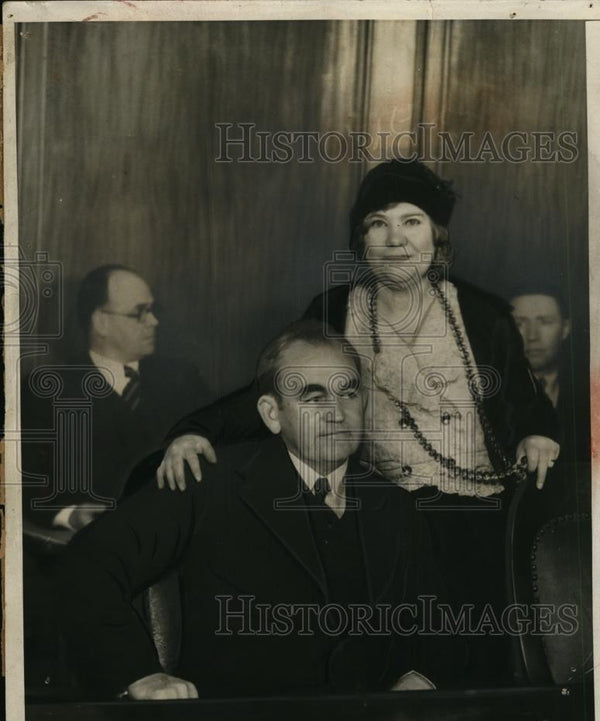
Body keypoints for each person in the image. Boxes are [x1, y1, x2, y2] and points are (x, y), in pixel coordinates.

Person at [155, 160, 559, 685]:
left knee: (476, 661)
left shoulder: (483, 315)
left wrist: (539, 432)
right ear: (361, 241)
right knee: (382, 668)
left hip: (477, 518)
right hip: (376, 515)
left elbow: (526, 401)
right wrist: (197, 429)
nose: (396, 239)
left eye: (411, 222)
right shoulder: (335, 307)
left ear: (436, 236)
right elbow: (276, 390)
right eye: (378, 223)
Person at [57, 321, 438, 701]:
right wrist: (139, 673)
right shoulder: (207, 483)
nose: (336, 413)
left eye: (348, 393)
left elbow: (435, 621)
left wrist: (421, 674)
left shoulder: (396, 506)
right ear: (272, 413)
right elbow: (87, 562)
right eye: (312, 396)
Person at [21, 264, 206, 534]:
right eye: (140, 312)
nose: (154, 321)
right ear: (101, 322)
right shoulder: (47, 392)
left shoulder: (184, 378)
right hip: (94, 550)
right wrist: (70, 515)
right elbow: (23, 485)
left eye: (152, 311)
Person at [508, 283, 590, 515]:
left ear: (565, 328)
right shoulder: (490, 396)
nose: (532, 336)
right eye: (519, 324)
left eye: (545, 322)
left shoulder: (590, 391)